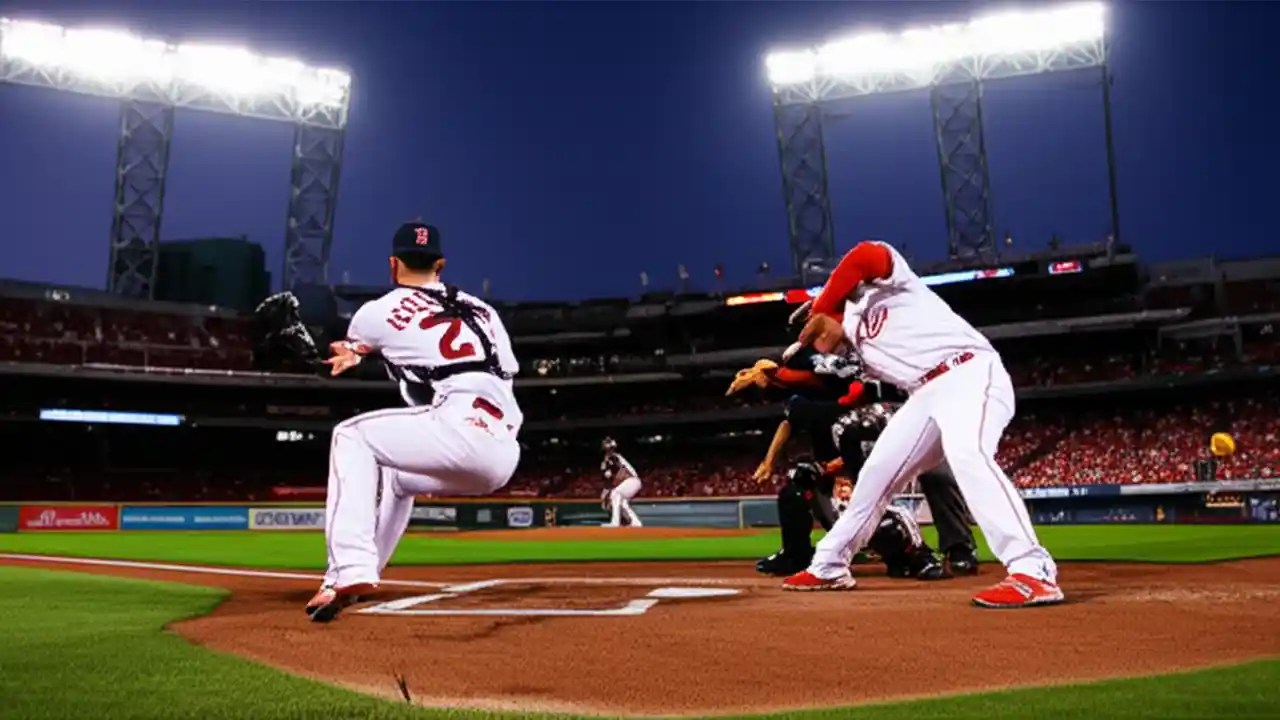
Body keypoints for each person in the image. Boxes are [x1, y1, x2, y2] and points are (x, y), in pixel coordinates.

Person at [782, 241, 1062, 608]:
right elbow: (830, 385)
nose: (821, 340)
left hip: (970, 371)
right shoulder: (858, 348)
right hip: (924, 395)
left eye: (817, 329)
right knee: (876, 476)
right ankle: (830, 564)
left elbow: (866, 254)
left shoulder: (889, 285)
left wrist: (823, 306)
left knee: (968, 453)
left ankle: (1033, 570)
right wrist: (783, 369)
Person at [305, 222, 523, 623]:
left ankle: (348, 570)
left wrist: (348, 353)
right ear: (439, 264)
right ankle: (356, 581)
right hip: (503, 451)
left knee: (351, 436)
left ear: (393, 264)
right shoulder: (485, 310)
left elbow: (362, 353)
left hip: (457, 425)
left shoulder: (377, 312)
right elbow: (497, 370)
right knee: (396, 478)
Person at [600, 437, 643, 527]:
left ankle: (615, 523)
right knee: (622, 502)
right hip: (633, 481)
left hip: (631, 481)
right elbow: (611, 476)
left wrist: (607, 491)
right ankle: (636, 523)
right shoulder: (612, 458)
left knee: (615, 494)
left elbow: (619, 473)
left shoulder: (614, 457)